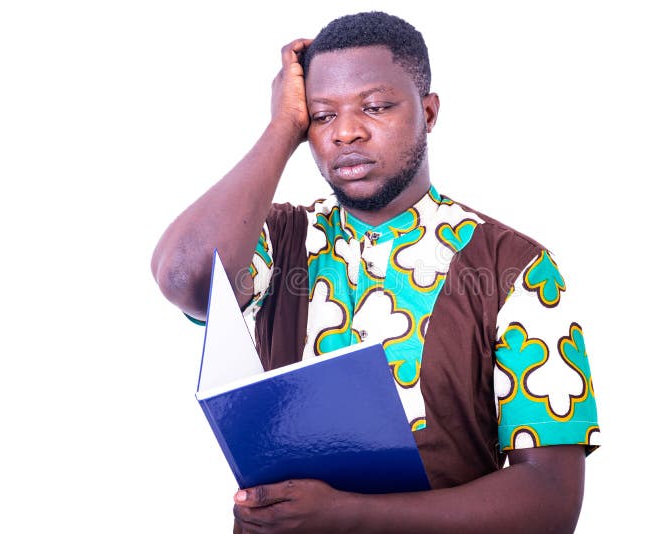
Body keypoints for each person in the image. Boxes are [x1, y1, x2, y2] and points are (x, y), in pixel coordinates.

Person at [152, 11, 599, 533]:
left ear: (428, 113)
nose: (346, 132)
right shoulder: (274, 239)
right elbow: (184, 277)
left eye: (376, 106)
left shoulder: (514, 268)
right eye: (321, 117)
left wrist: (349, 516)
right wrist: (280, 129)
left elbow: (550, 500)